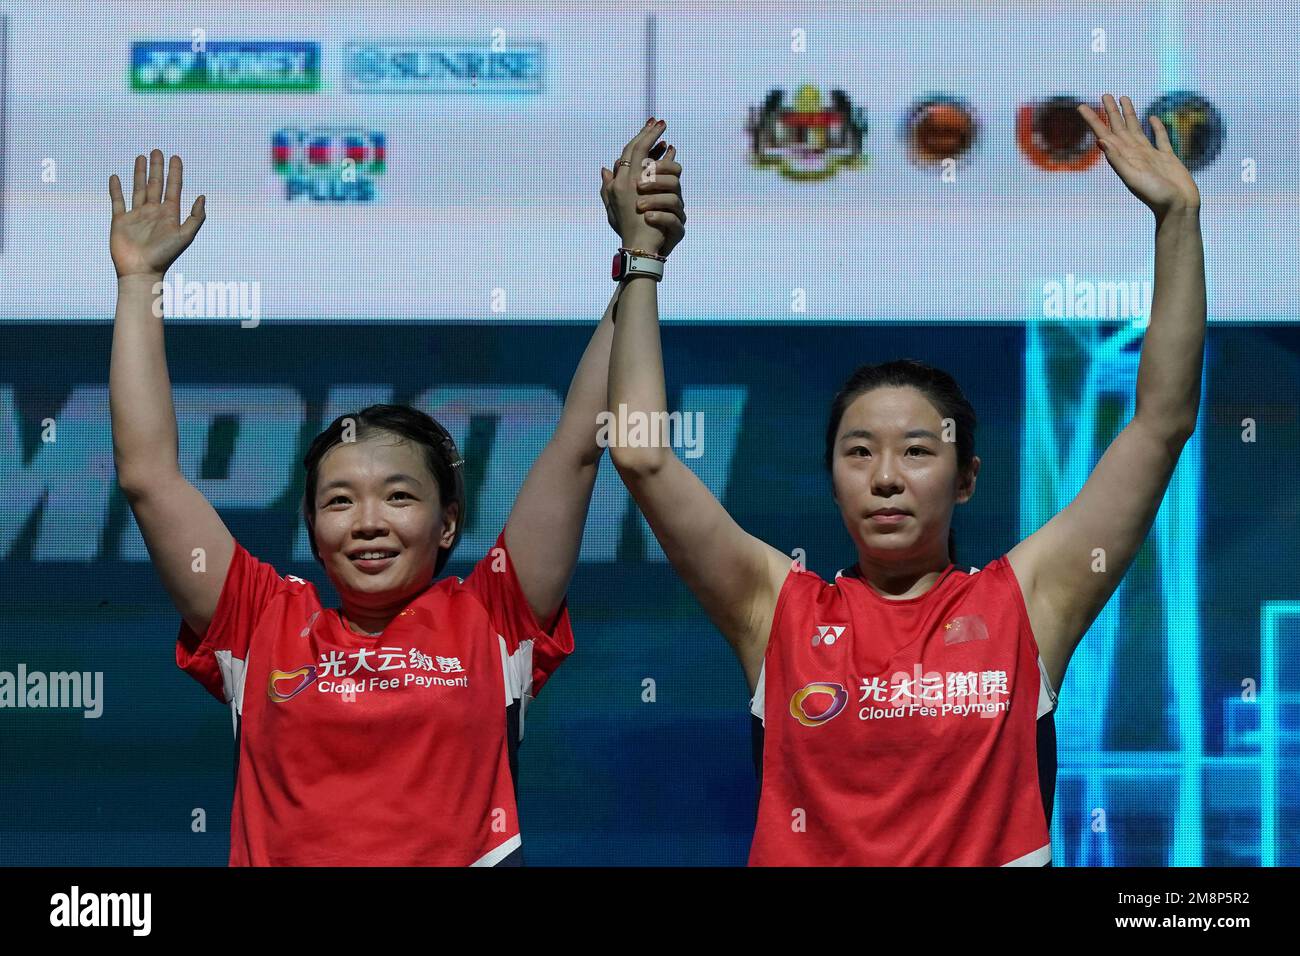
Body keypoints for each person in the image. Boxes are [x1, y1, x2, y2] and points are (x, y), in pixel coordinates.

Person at [605, 94, 1205, 864]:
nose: (886, 477)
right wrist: (643, 263)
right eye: (859, 453)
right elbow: (642, 453)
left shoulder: (1027, 603)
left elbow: (1161, 424)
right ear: (830, 481)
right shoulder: (775, 611)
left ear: (967, 479)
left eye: (918, 451)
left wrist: (1178, 220)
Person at [108, 122, 685, 865]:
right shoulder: (259, 623)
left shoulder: (494, 616)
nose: (368, 522)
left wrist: (639, 265)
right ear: (312, 526)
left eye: (399, 497)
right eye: (339, 501)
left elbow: (579, 443)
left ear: (448, 523)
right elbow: (148, 476)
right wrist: (138, 283)